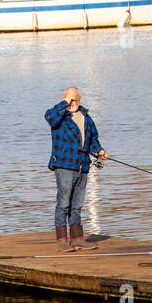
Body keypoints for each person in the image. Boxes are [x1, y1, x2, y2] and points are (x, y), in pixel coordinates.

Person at [44, 86, 106, 250]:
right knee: (63, 203)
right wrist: (65, 101)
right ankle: (62, 241)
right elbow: (50, 117)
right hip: (64, 165)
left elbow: (93, 140)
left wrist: (99, 151)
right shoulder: (59, 116)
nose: (72, 102)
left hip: (82, 166)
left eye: (75, 98)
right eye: (69, 98)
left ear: (80, 99)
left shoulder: (87, 118)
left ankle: (78, 238)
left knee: (77, 205)